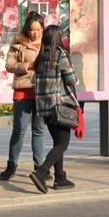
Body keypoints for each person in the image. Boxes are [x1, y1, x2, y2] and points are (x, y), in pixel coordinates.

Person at [29, 25, 79, 193]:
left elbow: (33, 81)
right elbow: (72, 79)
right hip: (59, 105)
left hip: (44, 108)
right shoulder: (60, 54)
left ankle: (60, 178)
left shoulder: (41, 56)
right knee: (62, 144)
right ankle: (41, 172)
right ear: (58, 37)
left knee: (58, 142)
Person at [0, 11, 47, 181]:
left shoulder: (48, 43)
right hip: (23, 91)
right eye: (32, 30)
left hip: (42, 93)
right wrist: (27, 65)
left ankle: (40, 168)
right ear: (27, 29)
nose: (35, 33)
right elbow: (9, 65)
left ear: (43, 29)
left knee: (39, 130)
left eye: (38, 30)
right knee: (19, 130)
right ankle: (11, 165)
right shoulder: (18, 43)